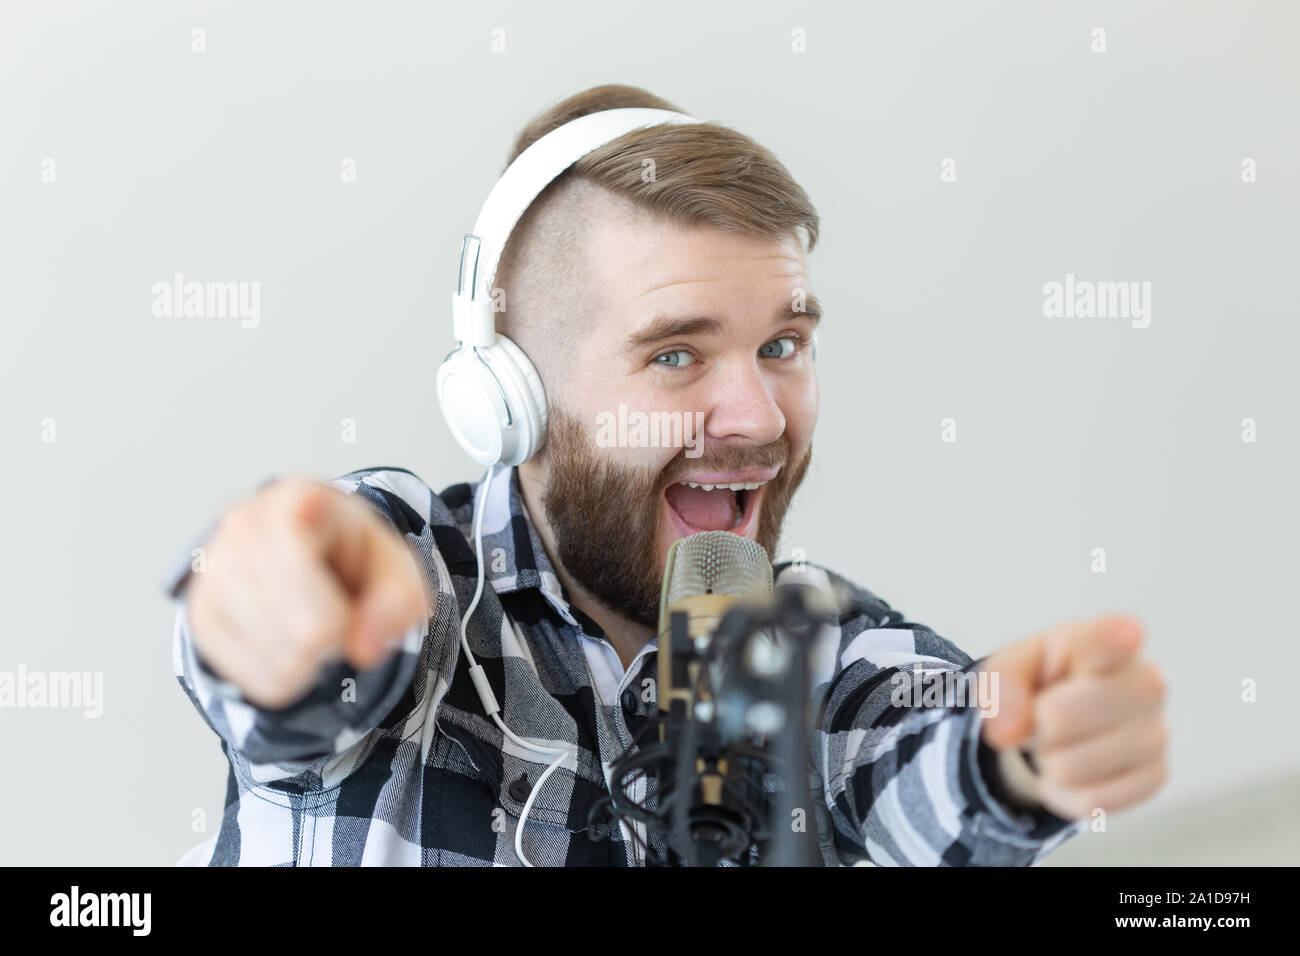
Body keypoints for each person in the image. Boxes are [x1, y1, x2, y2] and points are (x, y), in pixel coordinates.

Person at [166, 84, 1168, 866]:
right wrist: (269, 600)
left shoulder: (816, 644)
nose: (759, 416)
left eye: (782, 344)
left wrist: (1017, 756)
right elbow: (286, 663)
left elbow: (927, 750)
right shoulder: (414, 584)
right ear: (511, 398)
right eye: (677, 355)